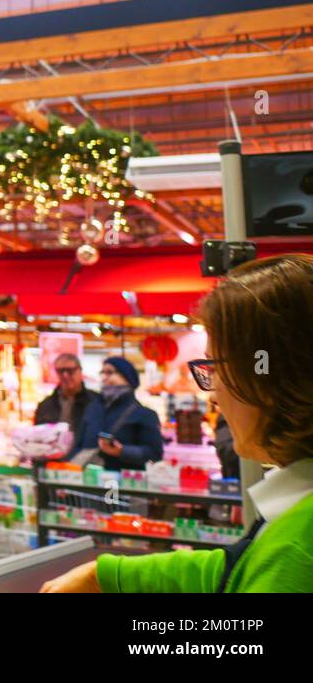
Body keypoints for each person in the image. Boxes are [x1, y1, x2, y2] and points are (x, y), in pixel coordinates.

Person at [43, 253, 313, 593]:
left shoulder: (298, 551)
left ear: (277, 379)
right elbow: (233, 567)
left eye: (219, 371)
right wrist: (107, 574)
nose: (213, 398)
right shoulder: (295, 518)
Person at [65, 356, 163, 471]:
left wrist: (123, 451)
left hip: (123, 483)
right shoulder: (92, 409)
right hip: (87, 482)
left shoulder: (144, 414)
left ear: (127, 377)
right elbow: (78, 445)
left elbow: (155, 454)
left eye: (109, 372)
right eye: (102, 372)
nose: (104, 377)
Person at [34, 353, 99, 436]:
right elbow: (38, 436)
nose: (65, 375)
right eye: (60, 371)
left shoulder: (96, 401)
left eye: (70, 371)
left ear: (80, 371)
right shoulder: (45, 405)